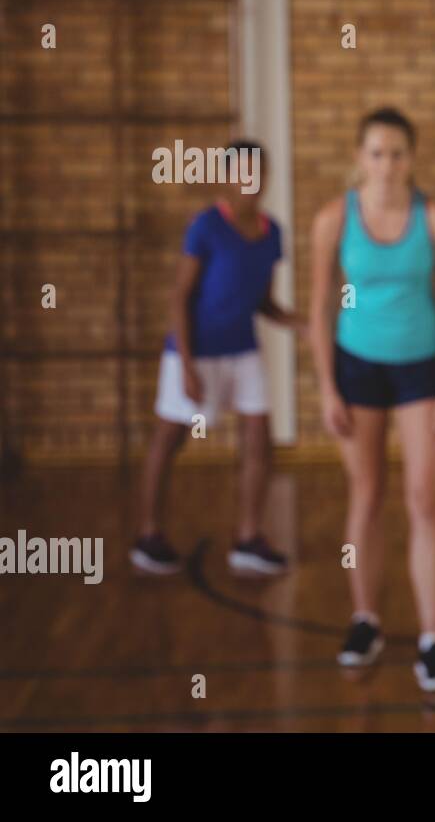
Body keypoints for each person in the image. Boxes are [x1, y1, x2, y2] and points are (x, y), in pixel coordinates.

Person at [308, 107, 435, 692]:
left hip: (421, 371)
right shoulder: (333, 219)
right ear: (359, 157)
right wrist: (326, 386)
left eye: (398, 152)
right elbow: (320, 306)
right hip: (357, 368)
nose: (387, 164)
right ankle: (366, 620)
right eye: (376, 152)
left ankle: (433, 638)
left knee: (425, 498)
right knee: (367, 492)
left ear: (411, 157)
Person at [133, 140, 299, 576]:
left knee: (259, 437)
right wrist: (187, 365)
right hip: (195, 350)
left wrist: (301, 323)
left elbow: (264, 302)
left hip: (242, 350)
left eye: (257, 175)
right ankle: (148, 535)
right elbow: (179, 298)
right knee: (171, 438)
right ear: (225, 179)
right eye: (240, 175)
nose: (250, 183)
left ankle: (248, 538)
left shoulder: (273, 233)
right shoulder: (205, 227)